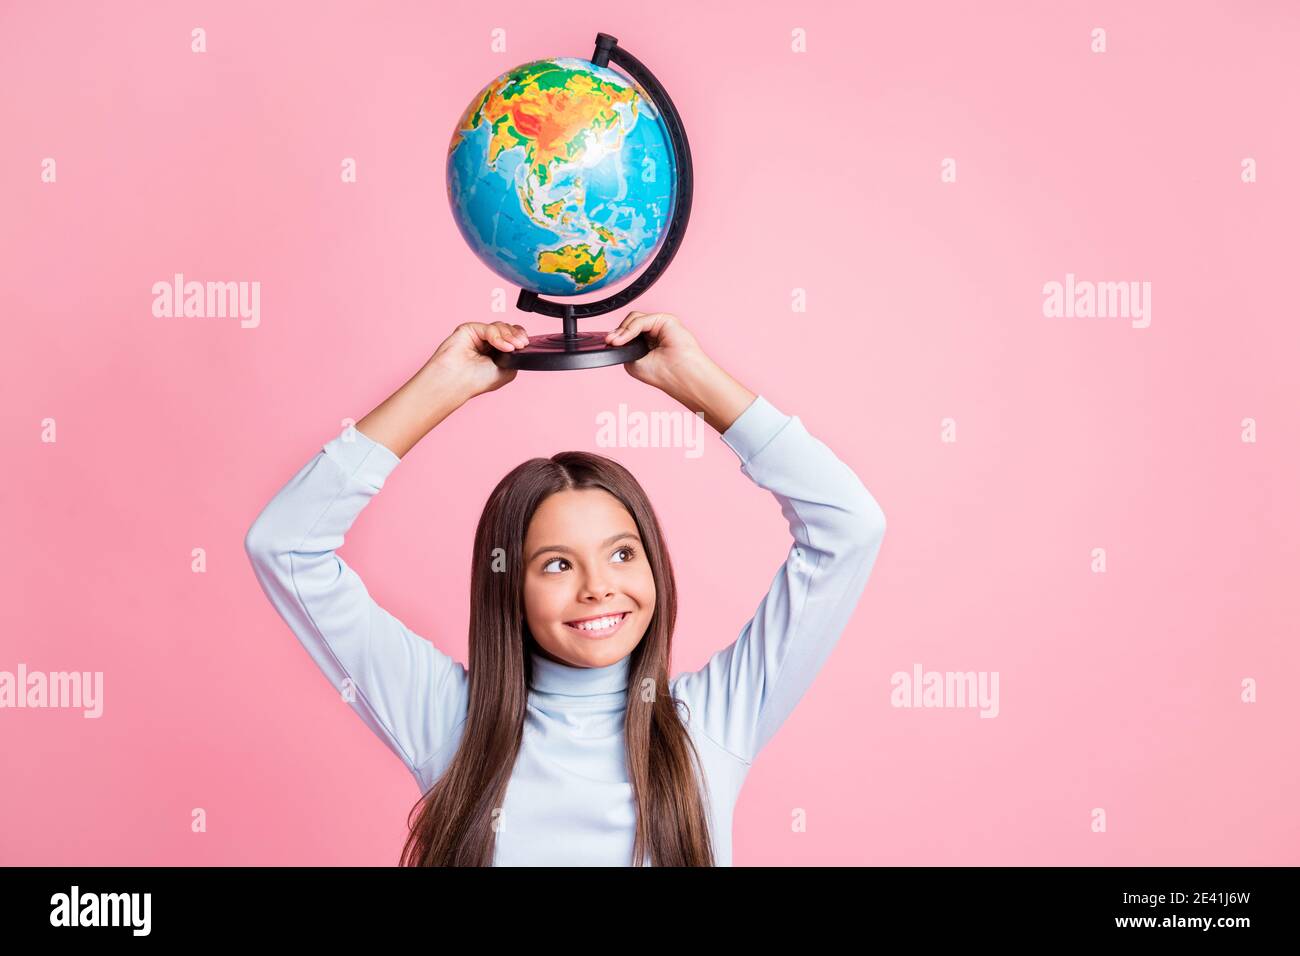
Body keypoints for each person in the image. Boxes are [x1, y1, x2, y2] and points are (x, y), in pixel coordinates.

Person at [243, 311, 887, 866]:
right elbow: (286, 545)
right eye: (556, 565)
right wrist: (441, 388)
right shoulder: (446, 719)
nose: (598, 588)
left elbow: (848, 528)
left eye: (622, 554)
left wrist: (698, 385)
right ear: (508, 588)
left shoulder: (715, 720)